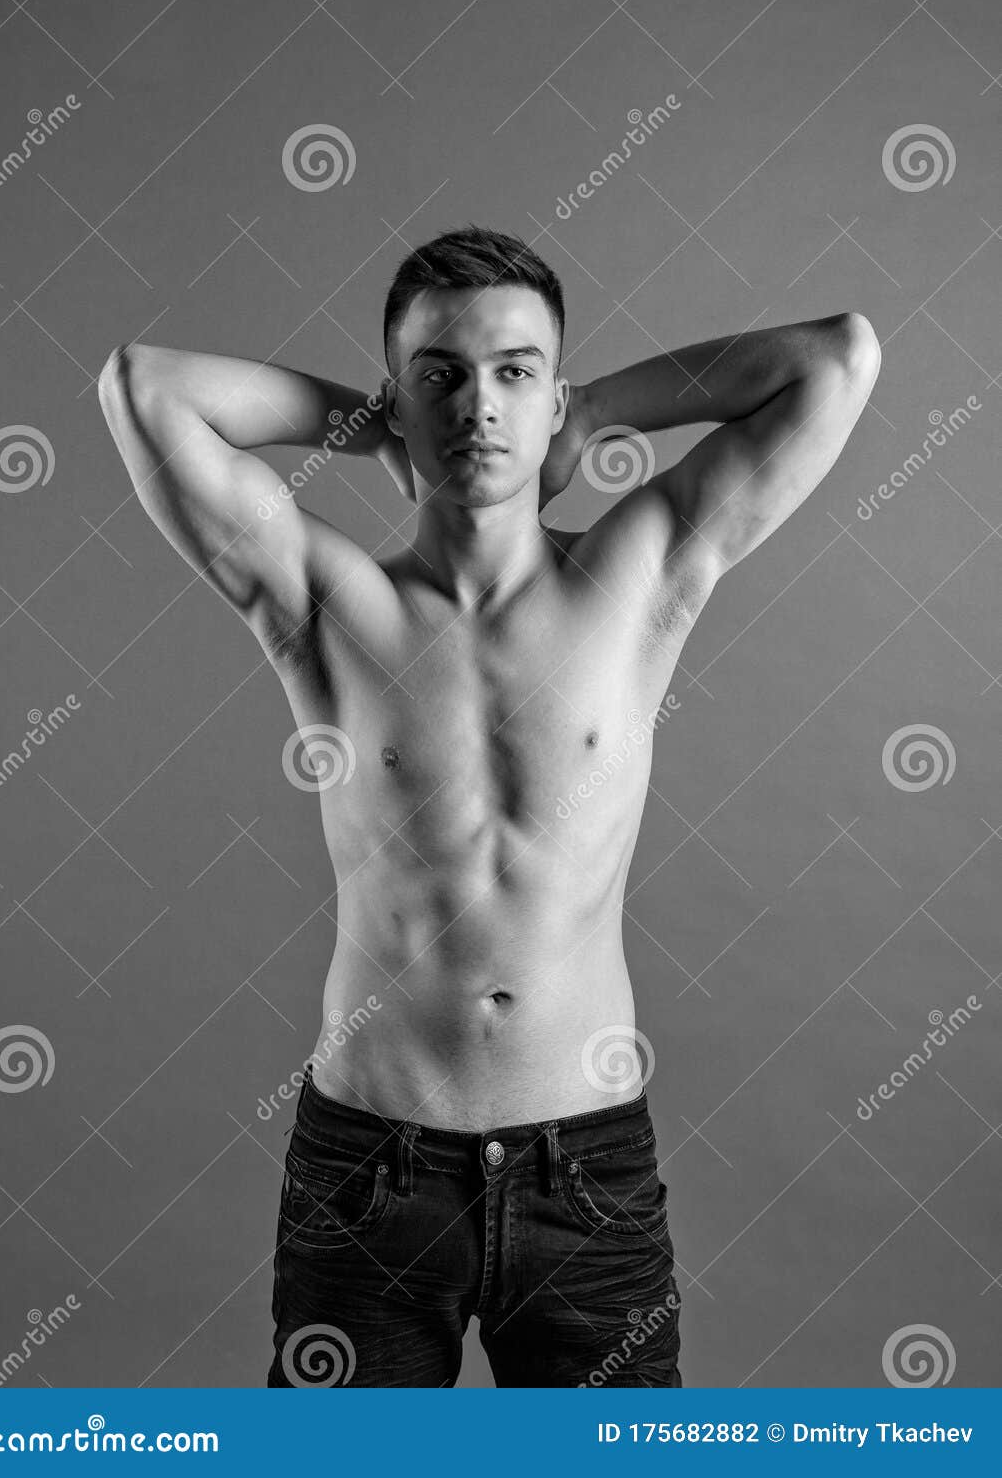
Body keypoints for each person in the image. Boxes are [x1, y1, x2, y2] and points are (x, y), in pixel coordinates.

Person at [98, 225, 880, 1387]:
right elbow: (142, 386)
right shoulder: (326, 599)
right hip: (371, 1173)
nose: (478, 405)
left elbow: (836, 358)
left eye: (514, 372)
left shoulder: (637, 576)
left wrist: (589, 411)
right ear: (398, 398)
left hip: (584, 1177)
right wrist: (370, 425)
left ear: (549, 396)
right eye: (442, 376)